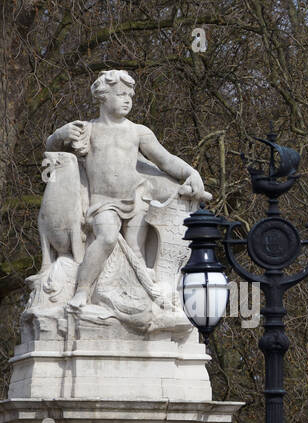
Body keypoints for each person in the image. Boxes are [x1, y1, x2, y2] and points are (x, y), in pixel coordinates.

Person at [44, 70, 209, 310]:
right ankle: (82, 289)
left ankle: (143, 299)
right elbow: (52, 152)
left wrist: (191, 172)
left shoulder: (138, 131)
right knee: (107, 238)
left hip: (136, 197)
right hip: (102, 202)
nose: (127, 100)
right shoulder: (88, 130)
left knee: (135, 251)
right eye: (121, 94)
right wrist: (58, 135)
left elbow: (165, 160)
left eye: (130, 95)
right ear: (102, 96)